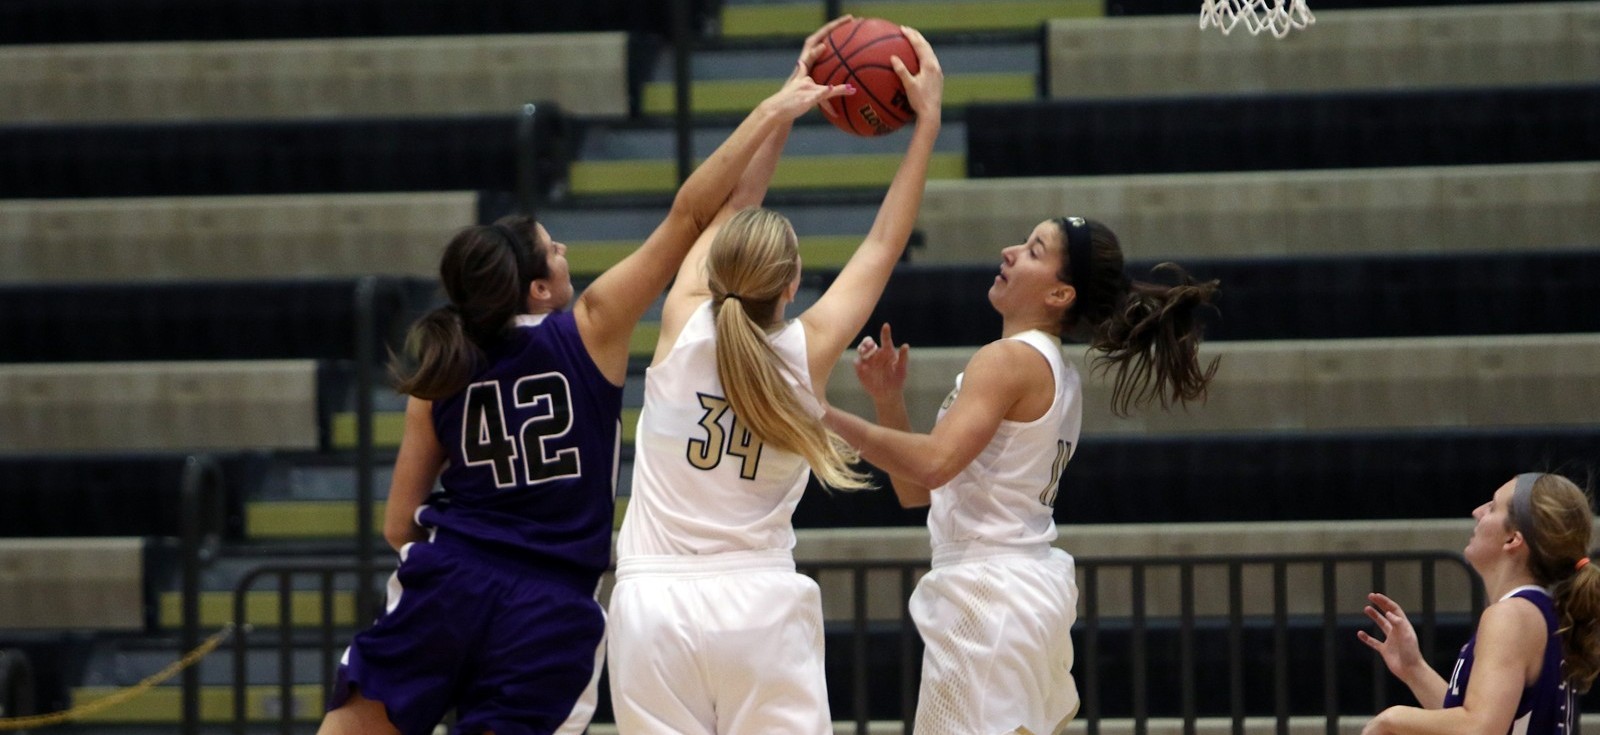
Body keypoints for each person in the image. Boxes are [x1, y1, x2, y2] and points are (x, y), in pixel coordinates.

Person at [315, 61, 856, 735]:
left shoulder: (441, 366)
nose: (565, 247)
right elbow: (695, 214)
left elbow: (399, 524)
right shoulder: (594, 325)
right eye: (554, 248)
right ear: (538, 289)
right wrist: (776, 110)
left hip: (450, 579)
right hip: (549, 607)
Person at [604, 22, 943, 735]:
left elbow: (730, 205)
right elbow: (884, 244)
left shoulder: (684, 321)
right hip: (759, 607)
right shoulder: (807, 350)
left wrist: (789, 102)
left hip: (654, 605)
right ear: (793, 287)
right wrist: (927, 124)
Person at [822, 217, 1221, 735]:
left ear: (1060, 292)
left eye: (1033, 251)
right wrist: (887, 401)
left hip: (990, 595)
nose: (1010, 252)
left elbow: (933, 462)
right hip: (1023, 590)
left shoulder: (1008, 360)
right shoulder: (1052, 367)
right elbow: (918, 491)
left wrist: (820, 413)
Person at [1358, 472, 1600, 735]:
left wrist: (1391, 719)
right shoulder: (1539, 612)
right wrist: (1414, 668)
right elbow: (1489, 719)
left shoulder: (1511, 616)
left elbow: (1481, 728)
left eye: (1493, 507)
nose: (1477, 512)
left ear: (1513, 539)